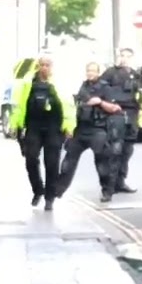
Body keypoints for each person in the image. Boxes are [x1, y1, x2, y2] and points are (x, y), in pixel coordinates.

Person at [6, 55, 74, 210]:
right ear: (37, 66)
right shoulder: (27, 83)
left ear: (52, 67)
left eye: (48, 65)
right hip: (34, 126)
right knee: (30, 159)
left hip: (54, 128)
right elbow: (18, 105)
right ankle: (38, 190)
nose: (44, 68)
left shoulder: (60, 84)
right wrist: (14, 124)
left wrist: (69, 126)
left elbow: (69, 106)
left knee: (51, 164)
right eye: (42, 65)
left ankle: (50, 197)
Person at [56, 62, 122, 202]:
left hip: (98, 129)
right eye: (88, 70)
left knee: (102, 164)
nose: (90, 73)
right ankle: (57, 191)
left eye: (93, 71)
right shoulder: (83, 87)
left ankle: (107, 191)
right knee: (68, 162)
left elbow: (115, 108)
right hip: (80, 129)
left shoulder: (105, 88)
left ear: (98, 72)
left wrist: (100, 102)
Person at [101, 47, 142, 194]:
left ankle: (121, 181)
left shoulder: (136, 74)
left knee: (127, 150)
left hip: (132, 114)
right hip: (116, 113)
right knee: (114, 150)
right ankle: (109, 185)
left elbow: (141, 93)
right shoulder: (111, 72)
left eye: (128, 56)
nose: (125, 58)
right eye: (122, 55)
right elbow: (100, 89)